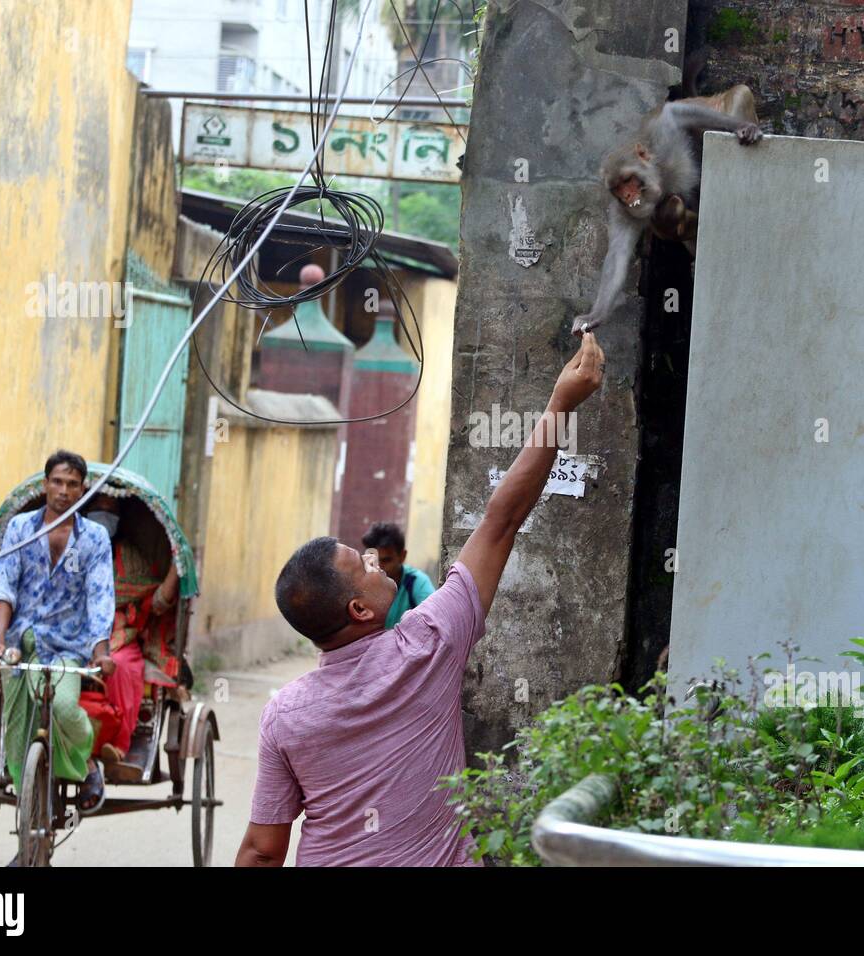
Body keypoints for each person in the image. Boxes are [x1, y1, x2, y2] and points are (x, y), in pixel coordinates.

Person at [236, 332, 605, 867]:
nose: (372, 560)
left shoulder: (285, 715)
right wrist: (560, 406)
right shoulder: (427, 645)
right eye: (359, 565)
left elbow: (261, 850)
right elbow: (501, 522)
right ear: (358, 611)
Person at [0, 450, 116, 816]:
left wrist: (100, 651)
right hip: (21, 643)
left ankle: (86, 761)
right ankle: (23, 789)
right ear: (45, 485)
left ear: (82, 490)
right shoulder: (21, 529)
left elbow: (101, 596)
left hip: (67, 647)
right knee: (15, 714)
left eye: (72, 484)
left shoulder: (94, 539)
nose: (63, 490)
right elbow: (5, 586)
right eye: (57, 481)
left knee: (62, 707)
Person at [82, 492, 181, 781]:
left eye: (110, 511)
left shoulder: (128, 557)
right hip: (75, 631)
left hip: (120, 635)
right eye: (98, 509)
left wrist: (177, 569)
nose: (104, 515)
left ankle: (115, 747)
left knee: (122, 667)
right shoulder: (72, 547)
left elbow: (155, 602)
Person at [360, 522, 434, 629]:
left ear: (402, 556)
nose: (378, 567)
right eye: (373, 561)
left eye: (386, 560)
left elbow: (433, 617)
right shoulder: (361, 583)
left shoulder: (415, 582)